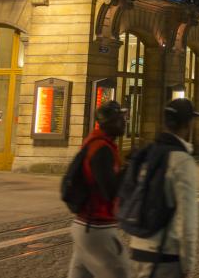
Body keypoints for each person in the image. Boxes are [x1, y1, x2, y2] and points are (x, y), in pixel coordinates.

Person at [128, 98, 199, 278]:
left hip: (137, 247)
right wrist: (188, 263)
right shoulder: (182, 160)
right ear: (188, 124)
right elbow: (187, 217)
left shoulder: (149, 152)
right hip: (164, 254)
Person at [67, 101, 130, 278]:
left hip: (84, 226)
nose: (124, 122)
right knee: (122, 274)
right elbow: (109, 191)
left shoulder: (95, 143)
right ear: (110, 122)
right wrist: (129, 170)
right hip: (97, 228)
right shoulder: (102, 149)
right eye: (121, 118)